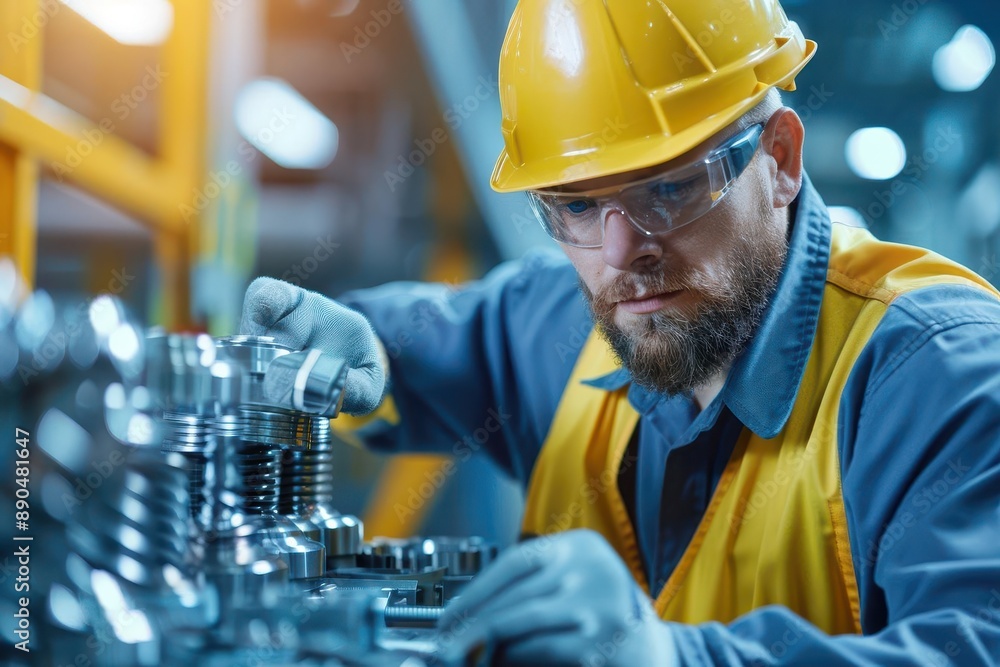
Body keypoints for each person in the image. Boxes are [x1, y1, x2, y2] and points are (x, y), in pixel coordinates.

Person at [241, 0, 1000, 664]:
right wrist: (359, 350)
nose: (619, 252)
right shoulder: (565, 324)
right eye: (574, 206)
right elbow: (420, 355)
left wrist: (671, 658)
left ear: (781, 159)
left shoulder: (940, 374)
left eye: (669, 187)